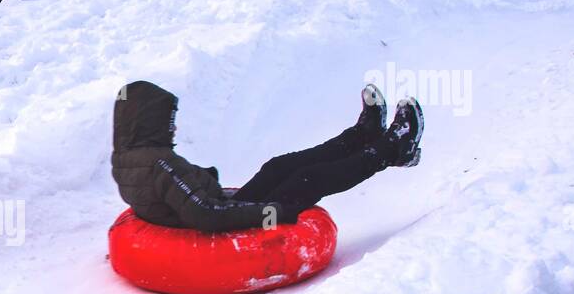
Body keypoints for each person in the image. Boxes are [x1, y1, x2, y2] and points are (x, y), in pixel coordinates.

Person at [111, 80, 423, 232]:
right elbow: (205, 214)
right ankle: (393, 149)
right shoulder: (160, 163)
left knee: (277, 167)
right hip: (226, 225)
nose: (174, 127)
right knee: (309, 179)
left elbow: (171, 197)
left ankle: (361, 136)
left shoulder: (128, 159)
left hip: (224, 208)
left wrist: (202, 179)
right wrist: (270, 212)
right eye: (168, 121)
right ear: (147, 122)